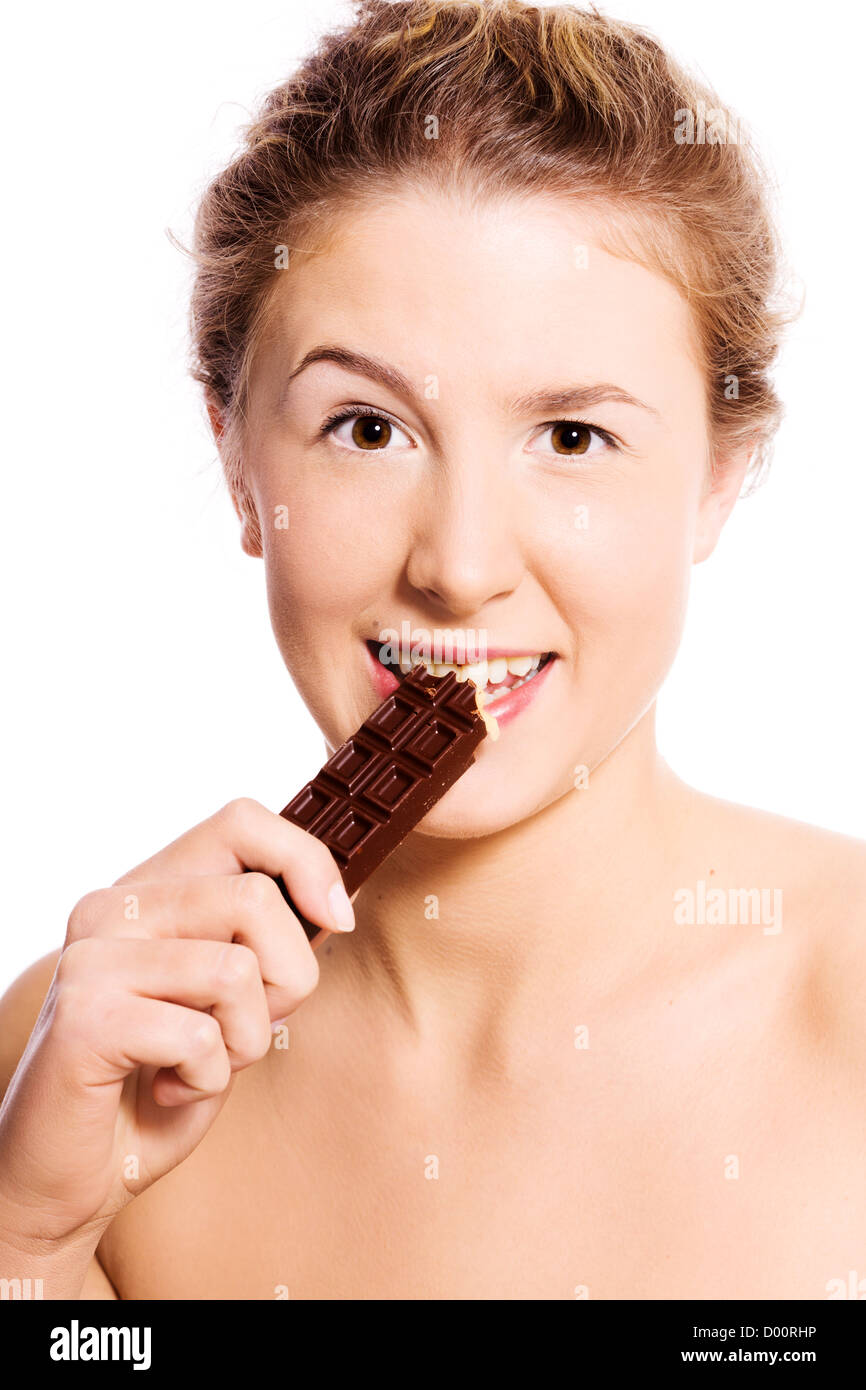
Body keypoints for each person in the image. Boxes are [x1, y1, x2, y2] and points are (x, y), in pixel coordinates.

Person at [2, 0, 863, 1300]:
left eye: (571, 437)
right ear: (239, 462)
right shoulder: (77, 1056)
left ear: (717, 479)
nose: (458, 563)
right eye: (365, 427)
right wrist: (27, 1244)